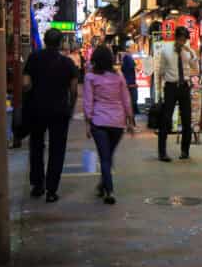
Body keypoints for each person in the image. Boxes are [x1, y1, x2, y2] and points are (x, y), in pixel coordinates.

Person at [22, 28, 79, 203]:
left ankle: (37, 185)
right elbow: (74, 89)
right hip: (60, 111)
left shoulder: (34, 58)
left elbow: (25, 84)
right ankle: (51, 190)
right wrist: (70, 107)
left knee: (37, 147)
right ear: (61, 42)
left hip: (38, 110)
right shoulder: (68, 63)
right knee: (57, 150)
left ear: (45, 41)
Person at [83, 45, 135, 204]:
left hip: (99, 122)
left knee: (105, 158)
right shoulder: (118, 75)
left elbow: (88, 101)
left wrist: (88, 122)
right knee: (108, 156)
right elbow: (126, 97)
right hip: (117, 123)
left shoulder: (90, 77)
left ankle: (109, 191)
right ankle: (103, 185)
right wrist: (130, 119)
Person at [157, 26, 199, 161]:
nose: (183, 42)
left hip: (184, 87)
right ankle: (162, 152)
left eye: (185, 39)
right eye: (181, 39)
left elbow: (195, 68)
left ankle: (185, 151)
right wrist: (160, 90)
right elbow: (161, 71)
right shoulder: (166, 50)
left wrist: (192, 52)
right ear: (176, 38)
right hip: (170, 87)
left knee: (186, 119)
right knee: (166, 119)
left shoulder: (188, 51)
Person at [121, 41, 139, 115]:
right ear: (130, 47)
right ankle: (131, 122)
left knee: (130, 102)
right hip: (130, 83)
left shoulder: (126, 56)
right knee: (132, 102)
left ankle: (131, 122)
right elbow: (135, 68)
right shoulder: (128, 57)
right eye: (133, 47)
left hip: (128, 82)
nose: (134, 49)